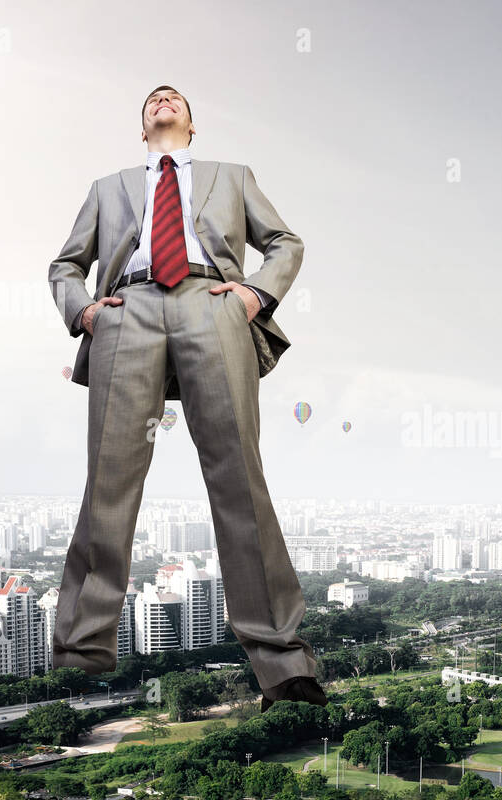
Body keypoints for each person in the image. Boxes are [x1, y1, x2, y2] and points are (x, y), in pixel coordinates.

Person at [47, 84, 326, 711]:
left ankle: (282, 663)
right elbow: (65, 265)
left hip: (214, 305)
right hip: (128, 311)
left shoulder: (232, 175)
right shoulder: (107, 188)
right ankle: (81, 645)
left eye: (172, 99)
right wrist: (86, 311)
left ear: (191, 126)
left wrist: (256, 295)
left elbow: (286, 242)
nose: (160, 102)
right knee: (111, 475)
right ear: (142, 128)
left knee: (239, 478)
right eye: (149, 102)